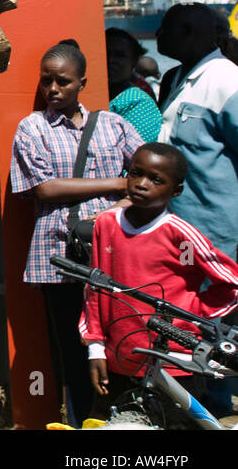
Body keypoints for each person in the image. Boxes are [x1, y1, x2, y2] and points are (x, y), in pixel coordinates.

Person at [9, 39, 143, 425]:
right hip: (59, 257)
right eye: (46, 81)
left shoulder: (114, 125)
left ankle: (123, 419)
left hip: (112, 253)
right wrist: (116, 186)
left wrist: (123, 204)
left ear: (82, 82)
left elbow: (150, 174)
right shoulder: (32, 128)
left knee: (120, 338)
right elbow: (45, 189)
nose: (53, 89)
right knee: (71, 346)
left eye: (63, 82)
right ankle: (83, 417)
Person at [80, 143, 238, 417]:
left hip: (175, 363)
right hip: (119, 359)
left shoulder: (180, 233)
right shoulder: (105, 223)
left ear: (176, 190)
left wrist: (194, 313)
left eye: (156, 180)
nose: (141, 184)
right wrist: (96, 348)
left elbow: (231, 282)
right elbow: (95, 289)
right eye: (135, 173)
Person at [156, 3, 238, 261]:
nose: (158, 34)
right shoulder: (173, 78)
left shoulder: (228, 82)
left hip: (218, 236)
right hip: (177, 228)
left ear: (188, 31)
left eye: (165, 28)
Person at [105, 28, 162, 142]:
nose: (111, 60)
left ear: (134, 62)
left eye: (120, 56)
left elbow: (141, 152)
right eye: (106, 53)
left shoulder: (138, 102)